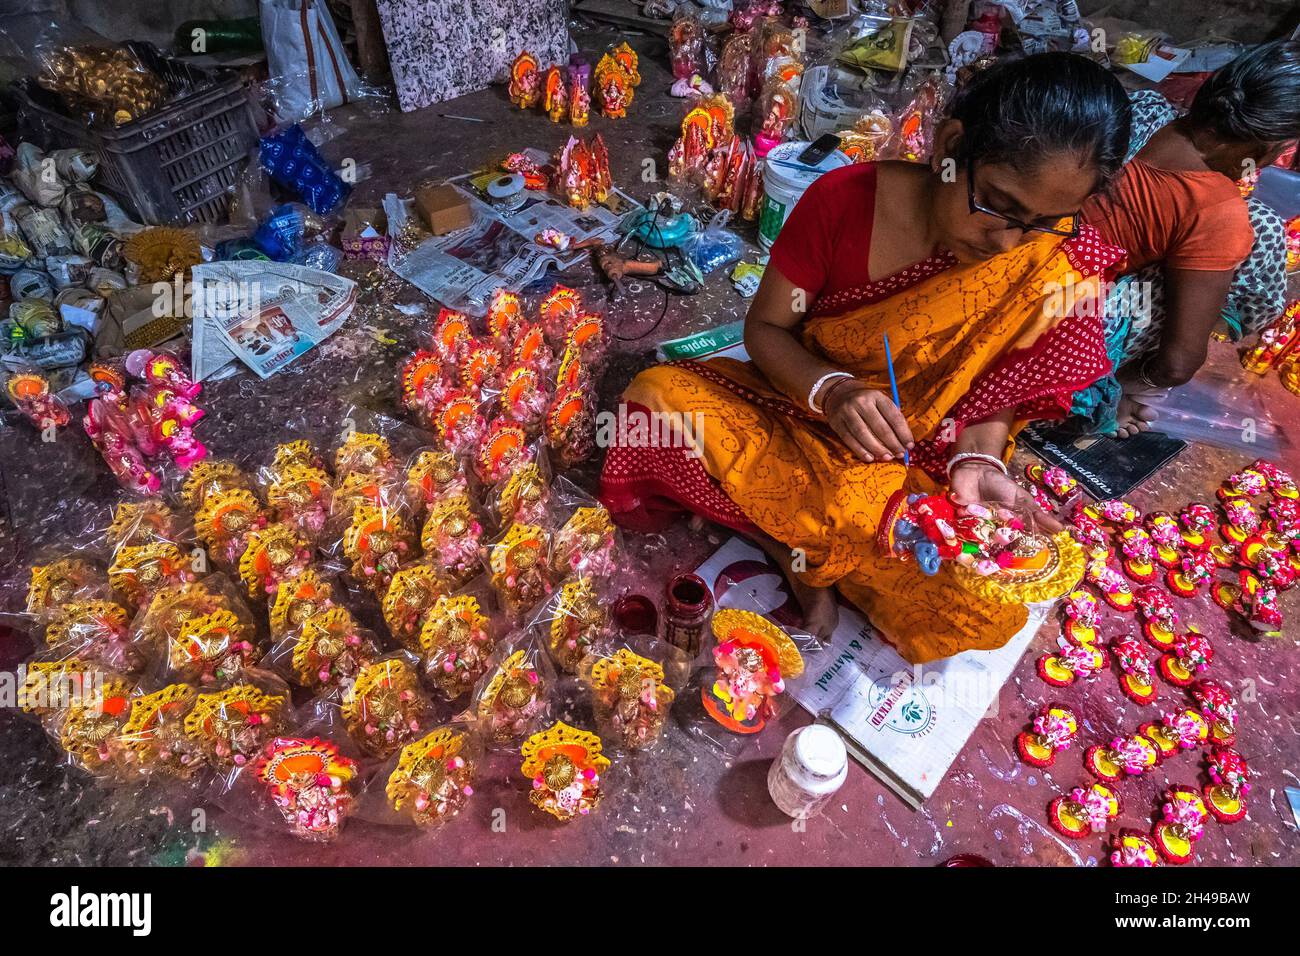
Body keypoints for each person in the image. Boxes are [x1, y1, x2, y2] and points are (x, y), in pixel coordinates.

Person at [599, 53, 1132, 663]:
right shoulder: (842, 202)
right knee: (656, 403)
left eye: (1042, 223)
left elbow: (995, 394)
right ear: (952, 146)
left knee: (982, 608)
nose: (1008, 243)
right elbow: (768, 330)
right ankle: (786, 549)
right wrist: (833, 390)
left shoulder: (1057, 261)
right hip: (799, 412)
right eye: (998, 206)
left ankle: (808, 544)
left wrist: (979, 457)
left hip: (918, 457)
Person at [1074, 40, 1300, 438]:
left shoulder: (1146, 111)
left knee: (1238, 231)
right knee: (1257, 236)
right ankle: (1103, 387)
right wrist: (1137, 382)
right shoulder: (1217, 212)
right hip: (1063, 318)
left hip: (1029, 258)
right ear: (1267, 148)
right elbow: (1180, 364)